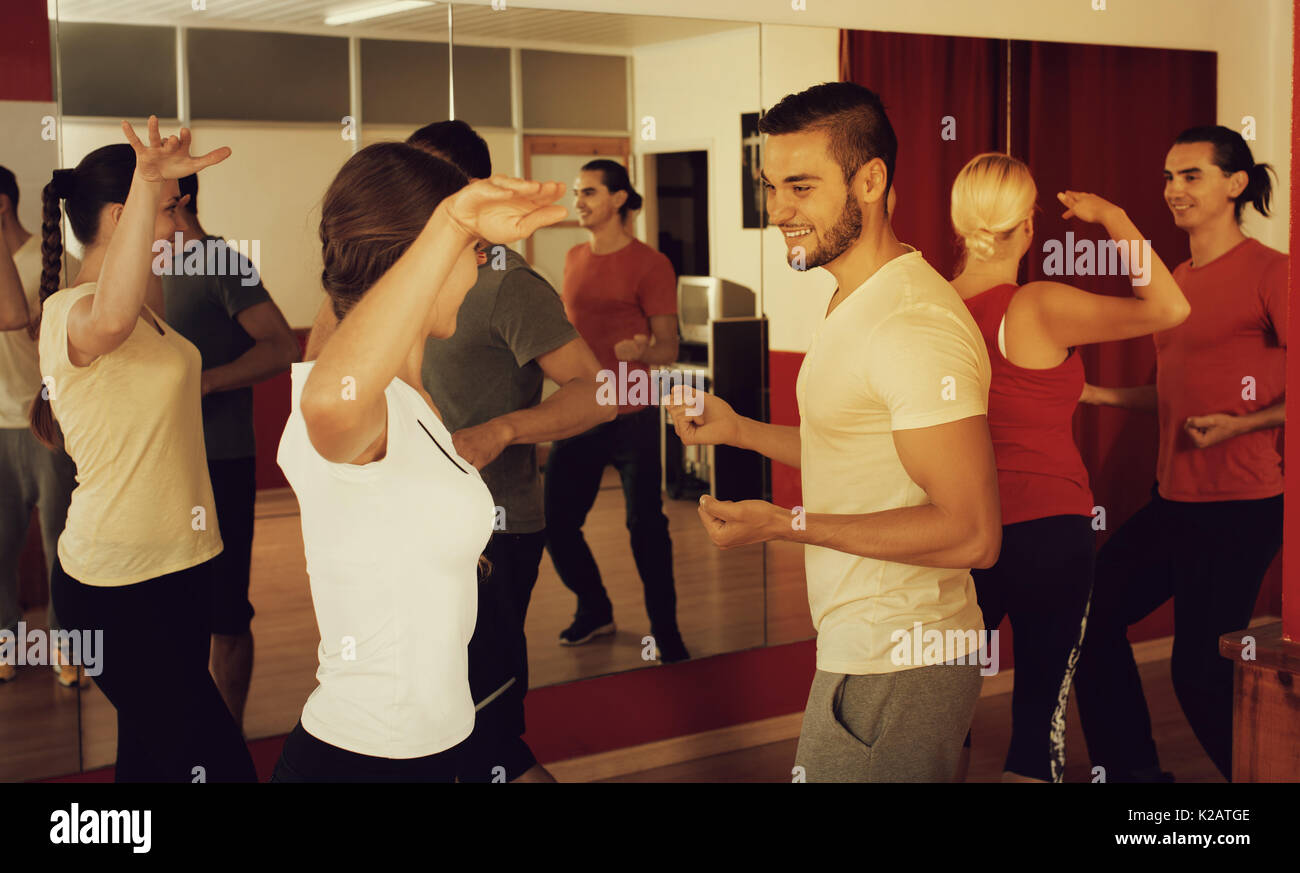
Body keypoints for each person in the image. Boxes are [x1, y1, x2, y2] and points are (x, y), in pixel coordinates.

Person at [668, 82, 1000, 782]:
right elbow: (858, 451)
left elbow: (973, 532)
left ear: (870, 179)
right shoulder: (857, 299)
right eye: (771, 187)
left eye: (800, 187)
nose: (778, 211)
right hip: (874, 647)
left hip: (903, 654)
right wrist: (740, 430)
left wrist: (785, 524)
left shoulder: (912, 324)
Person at [272, 141, 567, 782]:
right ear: (420, 260)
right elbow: (330, 394)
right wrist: (449, 224)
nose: (480, 265)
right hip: (366, 759)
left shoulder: (411, 396)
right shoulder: (356, 403)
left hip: (439, 741)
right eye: (470, 251)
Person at [947, 153, 1188, 782]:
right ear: (1028, 225)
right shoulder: (1038, 305)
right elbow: (1170, 308)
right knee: (1037, 724)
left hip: (954, 528)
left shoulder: (929, 306)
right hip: (1048, 531)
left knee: (944, 716)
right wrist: (1113, 217)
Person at [33, 119, 255, 781]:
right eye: (172, 205)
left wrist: (160, 200)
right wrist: (148, 187)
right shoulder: (69, 312)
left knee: (154, 754)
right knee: (216, 762)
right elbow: (110, 315)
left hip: (184, 562)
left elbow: (132, 300)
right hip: (114, 582)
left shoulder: (150, 302)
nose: (183, 216)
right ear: (118, 214)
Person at [1074, 125, 1285, 782]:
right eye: (1168, 177)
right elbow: (1175, 394)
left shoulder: (1274, 273)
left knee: (1197, 672)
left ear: (1235, 183)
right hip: (1175, 502)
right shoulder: (1174, 282)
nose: (1174, 189)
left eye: (1191, 175)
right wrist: (1096, 394)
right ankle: (1135, 778)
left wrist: (1241, 426)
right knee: (1091, 616)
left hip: (1243, 506)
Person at [162, 172, 300, 731]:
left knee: (223, 611)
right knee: (168, 612)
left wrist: (206, 380)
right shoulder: (134, 270)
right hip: (154, 463)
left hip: (218, 461)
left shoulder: (220, 262)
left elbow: (283, 346)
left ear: (181, 200)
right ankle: (183, 731)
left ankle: (228, 734)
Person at [546, 158, 689, 662]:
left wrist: (641, 351)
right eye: (576, 194)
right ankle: (595, 608)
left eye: (587, 192)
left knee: (644, 526)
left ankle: (666, 633)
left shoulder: (651, 264)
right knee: (556, 524)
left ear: (619, 199)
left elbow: (668, 347)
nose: (577, 202)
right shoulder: (571, 258)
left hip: (632, 417)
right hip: (582, 412)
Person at [0, 166, 81, 686]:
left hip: (45, 421)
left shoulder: (56, 264)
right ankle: (6, 642)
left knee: (60, 544)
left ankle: (67, 649)